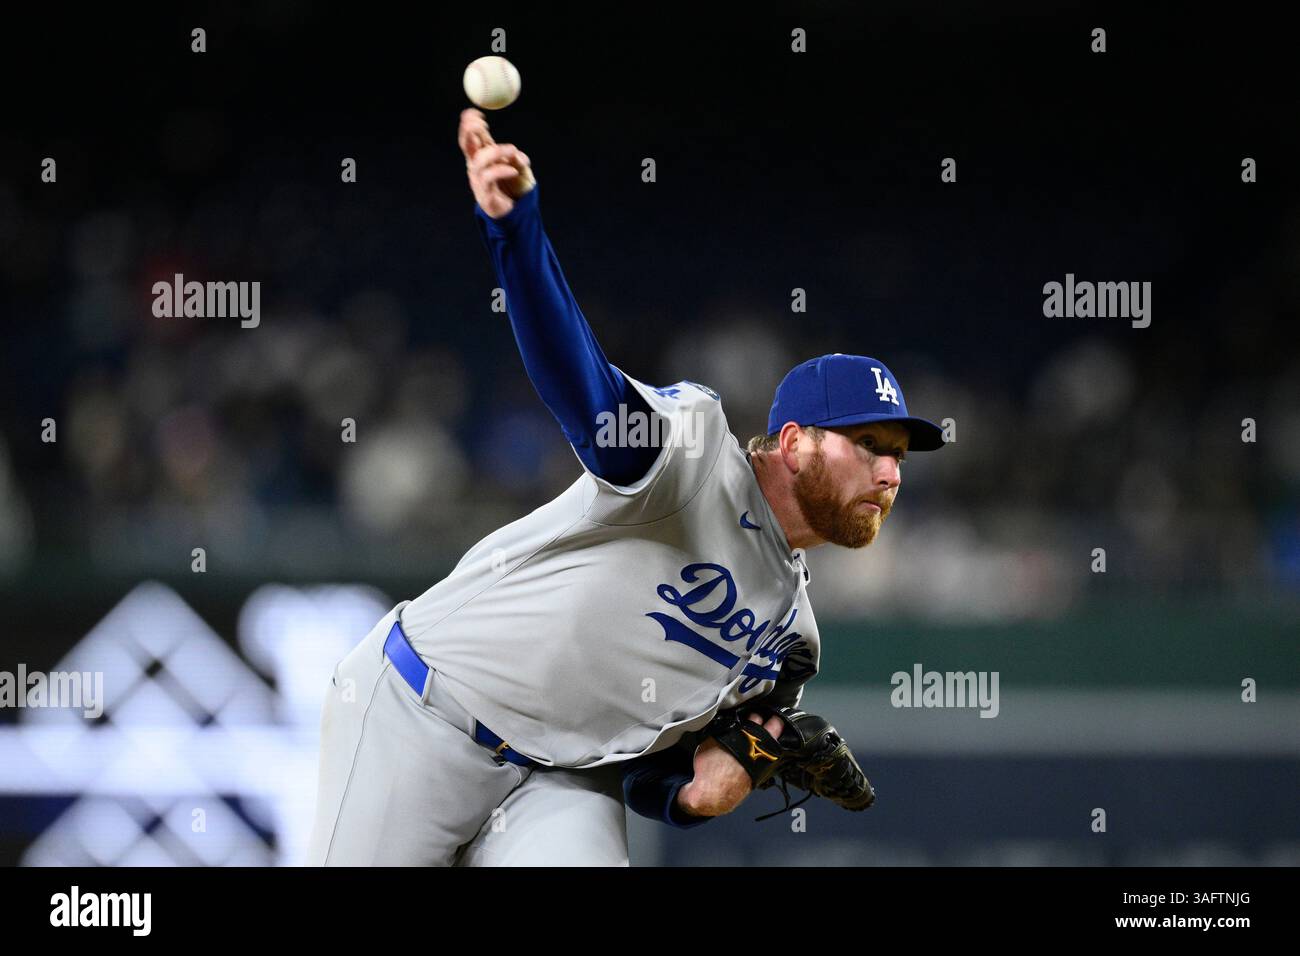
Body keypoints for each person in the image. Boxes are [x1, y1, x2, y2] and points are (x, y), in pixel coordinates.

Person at [306, 108, 946, 866]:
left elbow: (644, 761)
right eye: (869, 444)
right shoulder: (692, 453)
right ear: (794, 441)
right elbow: (582, 388)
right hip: (422, 715)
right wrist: (517, 232)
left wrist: (694, 794)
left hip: (559, 782)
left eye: (900, 455)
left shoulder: (792, 645)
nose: (890, 473)